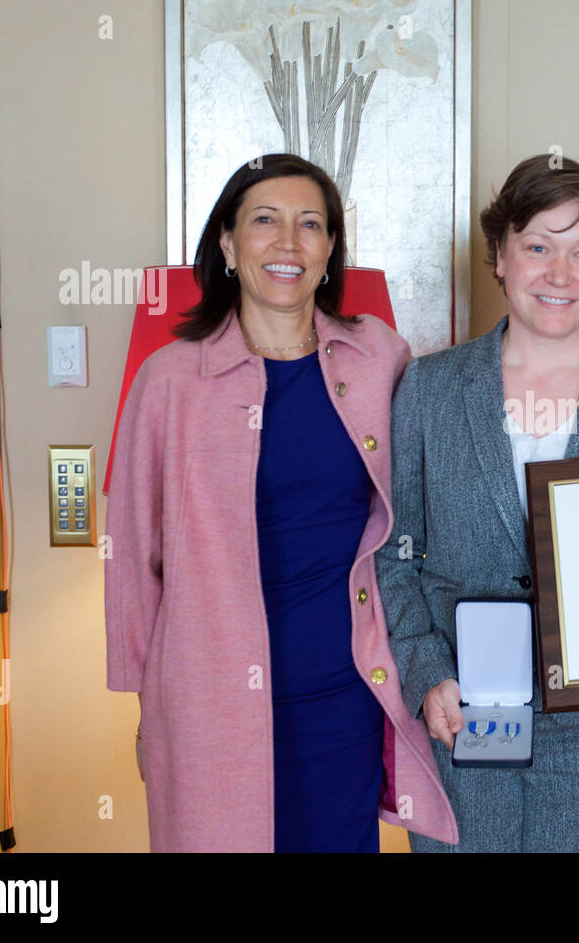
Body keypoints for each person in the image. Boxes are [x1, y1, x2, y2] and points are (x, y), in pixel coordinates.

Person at [104, 153, 458, 851]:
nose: (288, 242)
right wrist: (147, 703)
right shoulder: (169, 379)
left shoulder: (379, 356)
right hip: (206, 699)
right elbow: (132, 554)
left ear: (330, 252)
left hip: (344, 693)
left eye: (310, 224)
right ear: (228, 244)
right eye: (265, 220)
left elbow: (446, 456)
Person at [376, 154, 579, 852]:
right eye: (538, 247)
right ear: (500, 255)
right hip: (462, 710)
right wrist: (427, 671)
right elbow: (393, 555)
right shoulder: (428, 388)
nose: (560, 273)